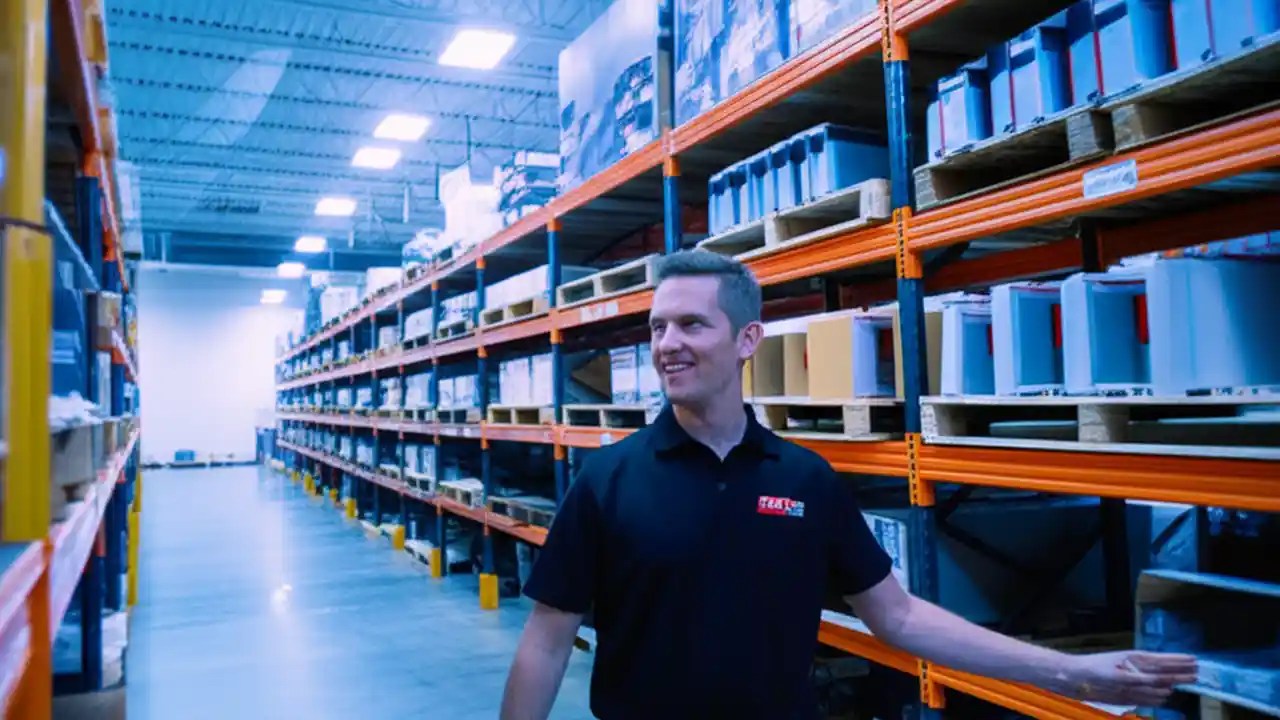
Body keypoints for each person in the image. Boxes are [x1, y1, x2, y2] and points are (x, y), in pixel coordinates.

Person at [500, 251, 1196, 719]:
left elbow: (900, 618)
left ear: (747, 340)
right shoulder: (608, 479)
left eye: (690, 324)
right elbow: (548, 638)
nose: (666, 344)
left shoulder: (804, 482)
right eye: (657, 327)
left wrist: (1069, 673)